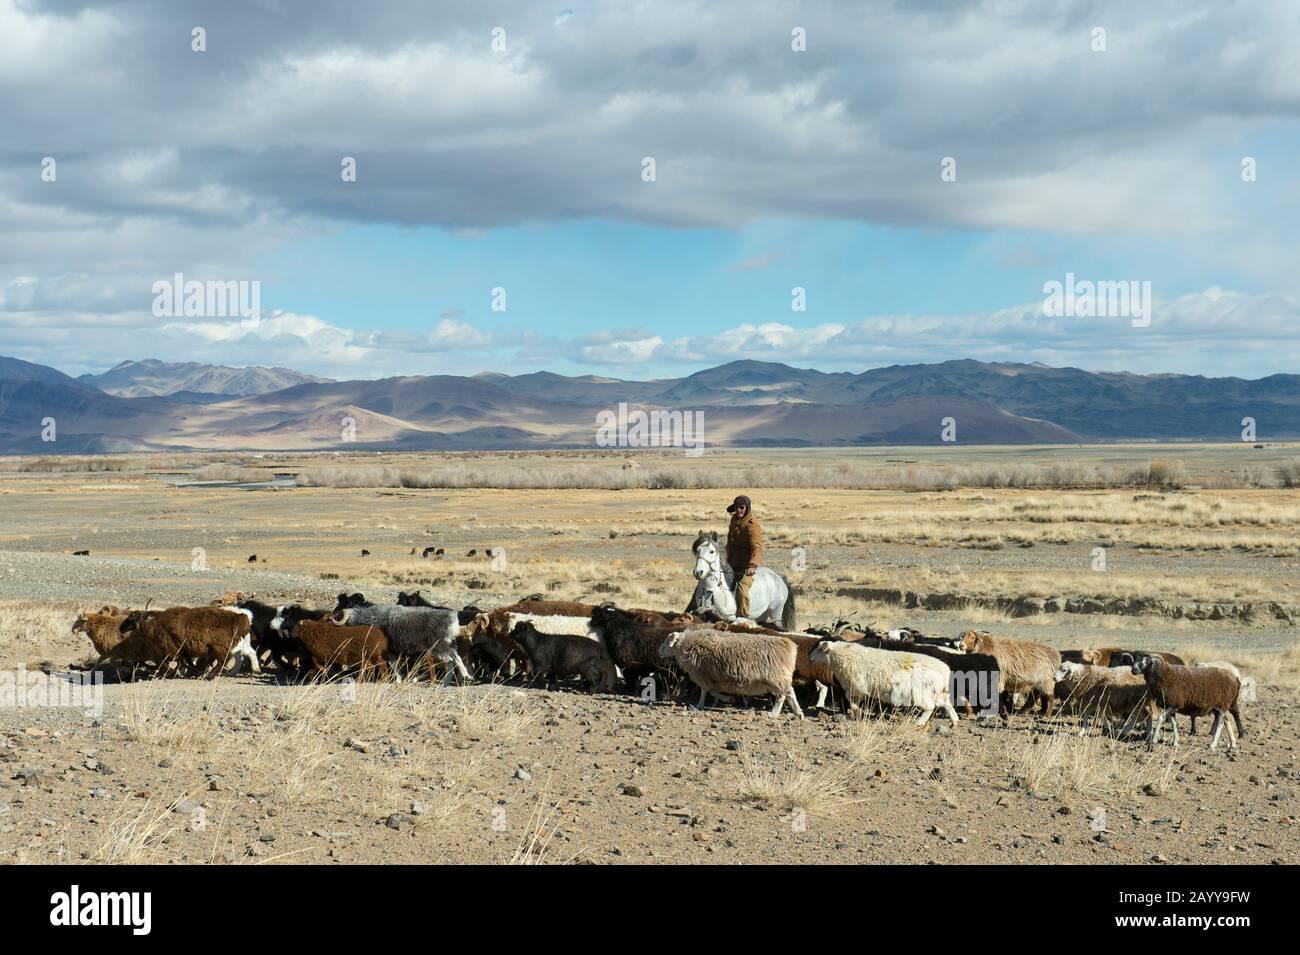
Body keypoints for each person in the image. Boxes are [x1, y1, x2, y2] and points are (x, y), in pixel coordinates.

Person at [725, 494, 763, 617]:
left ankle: (742, 618)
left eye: (742, 507)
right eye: (736, 507)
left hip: (746, 566)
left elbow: (756, 547)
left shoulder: (752, 525)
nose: (738, 510)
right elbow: (730, 543)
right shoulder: (734, 520)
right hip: (731, 563)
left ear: (747, 508)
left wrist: (752, 565)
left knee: (741, 590)